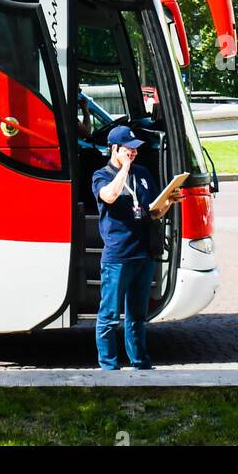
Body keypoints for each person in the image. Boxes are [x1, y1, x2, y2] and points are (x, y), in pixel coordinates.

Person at [92, 125, 174, 371]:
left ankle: (140, 362)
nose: (133, 153)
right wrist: (124, 168)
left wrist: (169, 201)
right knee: (108, 316)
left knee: (137, 316)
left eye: (135, 150)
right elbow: (109, 196)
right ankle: (108, 366)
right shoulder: (101, 175)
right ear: (114, 149)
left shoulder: (142, 173)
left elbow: (153, 211)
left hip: (143, 254)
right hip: (118, 256)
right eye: (128, 149)